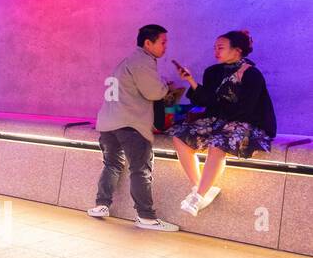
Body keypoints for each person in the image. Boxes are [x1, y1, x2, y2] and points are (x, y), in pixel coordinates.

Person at [168, 30, 276, 216]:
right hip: (220, 119)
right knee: (180, 137)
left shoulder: (252, 74)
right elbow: (208, 101)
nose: (216, 51)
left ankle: (198, 196)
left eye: (221, 48)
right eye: (215, 47)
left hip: (247, 122)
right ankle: (201, 189)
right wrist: (190, 81)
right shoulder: (212, 72)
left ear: (237, 51)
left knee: (218, 142)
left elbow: (248, 108)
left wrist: (220, 118)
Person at [87, 25, 179, 231]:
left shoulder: (126, 61)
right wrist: (167, 86)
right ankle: (146, 216)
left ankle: (102, 205)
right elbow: (154, 93)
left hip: (108, 123)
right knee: (140, 169)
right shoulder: (143, 61)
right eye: (163, 42)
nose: (166, 47)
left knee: (112, 164)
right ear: (148, 43)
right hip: (130, 123)